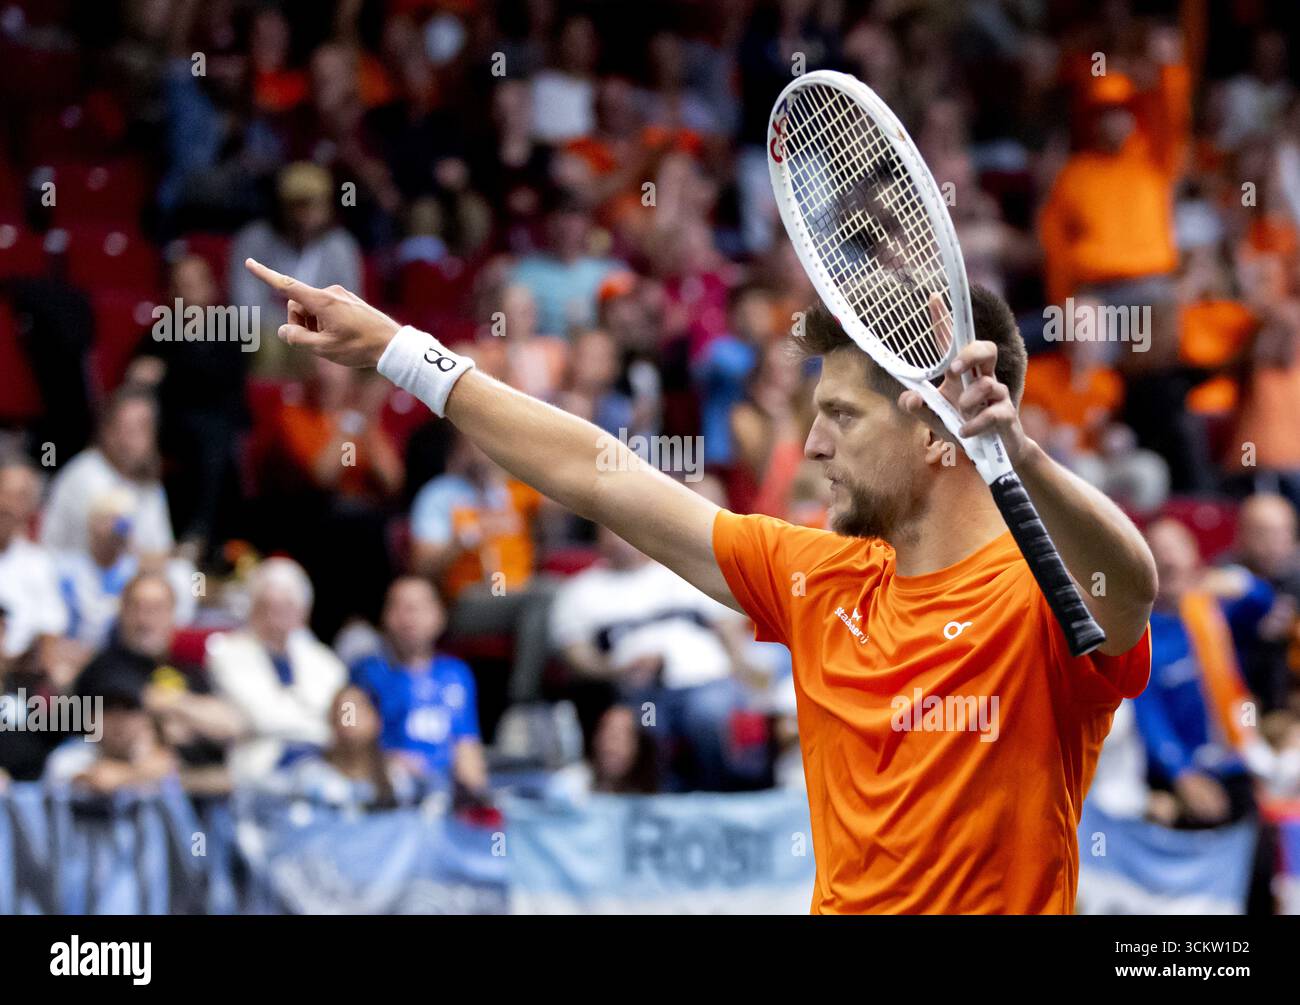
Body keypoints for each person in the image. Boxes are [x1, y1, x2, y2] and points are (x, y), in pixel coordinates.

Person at [241, 243, 1157, 916]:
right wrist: (403, 351)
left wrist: (1019, 451)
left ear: (934, 434)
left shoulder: (1040, 595)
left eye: (840, 416)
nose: (812, 447)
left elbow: (1130, 586)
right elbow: (599, 471)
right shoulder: (817, 578)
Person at [549, 525, 753, 791]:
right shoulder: (581, 590)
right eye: (609, 531)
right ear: (598, 537)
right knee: (644, 730)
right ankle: (655, 809)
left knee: (708, 716)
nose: (619, 539)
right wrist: (615, 670)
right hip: (637, 690)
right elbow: (575, 654)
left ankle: (717, 800)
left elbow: (728, 624)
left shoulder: (683, 572)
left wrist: (742, 669)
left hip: (706, 678)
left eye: (622, 528)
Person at [74, 572, 241, 795]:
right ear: (122, 612)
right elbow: (144, 743)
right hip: (137, 798)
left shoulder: (186, 668)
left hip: (201, 793)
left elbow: (231, 725)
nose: (145, 620)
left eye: (156, 609)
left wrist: (172, 706)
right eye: (137, 608)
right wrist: (192, 718)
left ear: (172, 615)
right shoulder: (107, 667)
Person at [205, 557, 347, 783]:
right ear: (253, 607)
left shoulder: (327, 662)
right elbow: (263, 718)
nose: (278, 615)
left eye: (288, 605)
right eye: (269, 606)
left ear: (304, 611)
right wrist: (319, 722)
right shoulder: (227, 654)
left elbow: (345, 721)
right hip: (261, 771)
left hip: (324, 765)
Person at [349, 577, 488, 796]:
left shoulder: (457, 675)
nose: (409, 618)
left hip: (444, 790)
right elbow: (350, 743)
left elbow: (467, 743)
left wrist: (476, 793)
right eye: (400, 607)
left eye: (418, 608)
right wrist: (387, 762)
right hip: (390, 789)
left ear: (439, 617)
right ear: (385, 616)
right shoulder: (365, 673)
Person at [40, 387, 175, 558]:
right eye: (128, 429)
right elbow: (110, 554)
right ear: (108, 432)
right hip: (75, 572)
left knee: (183, 572)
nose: (135, 440)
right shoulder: (85, 475)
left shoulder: (149, 484)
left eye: (143, 429)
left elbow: (161, 548)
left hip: (133, 573)